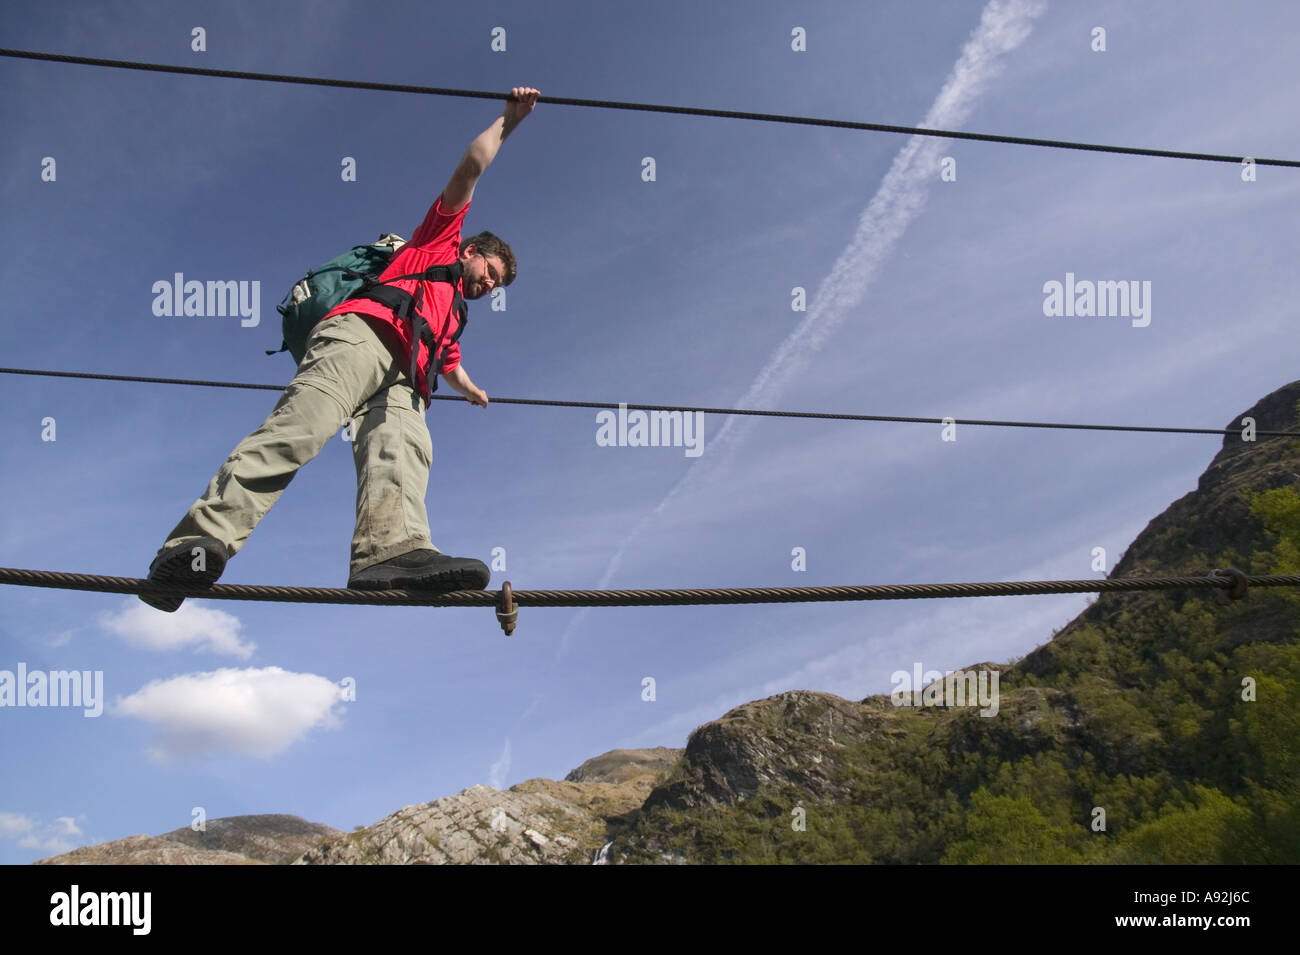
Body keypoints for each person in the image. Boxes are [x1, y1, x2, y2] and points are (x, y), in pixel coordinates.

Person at [139, 86, 541, 612]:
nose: (488, 286)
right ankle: (195, 544)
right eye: (489, 273)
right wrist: (509, 122)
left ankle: (389, 552)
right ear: (470, 251)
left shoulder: (453, 314)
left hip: (406, 383)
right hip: (362, 336)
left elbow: (449, 364)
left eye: (496, 287)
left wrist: (471, 389)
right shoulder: (436, 242)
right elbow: (471, 166)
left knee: (404, 456)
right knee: (299, 430)